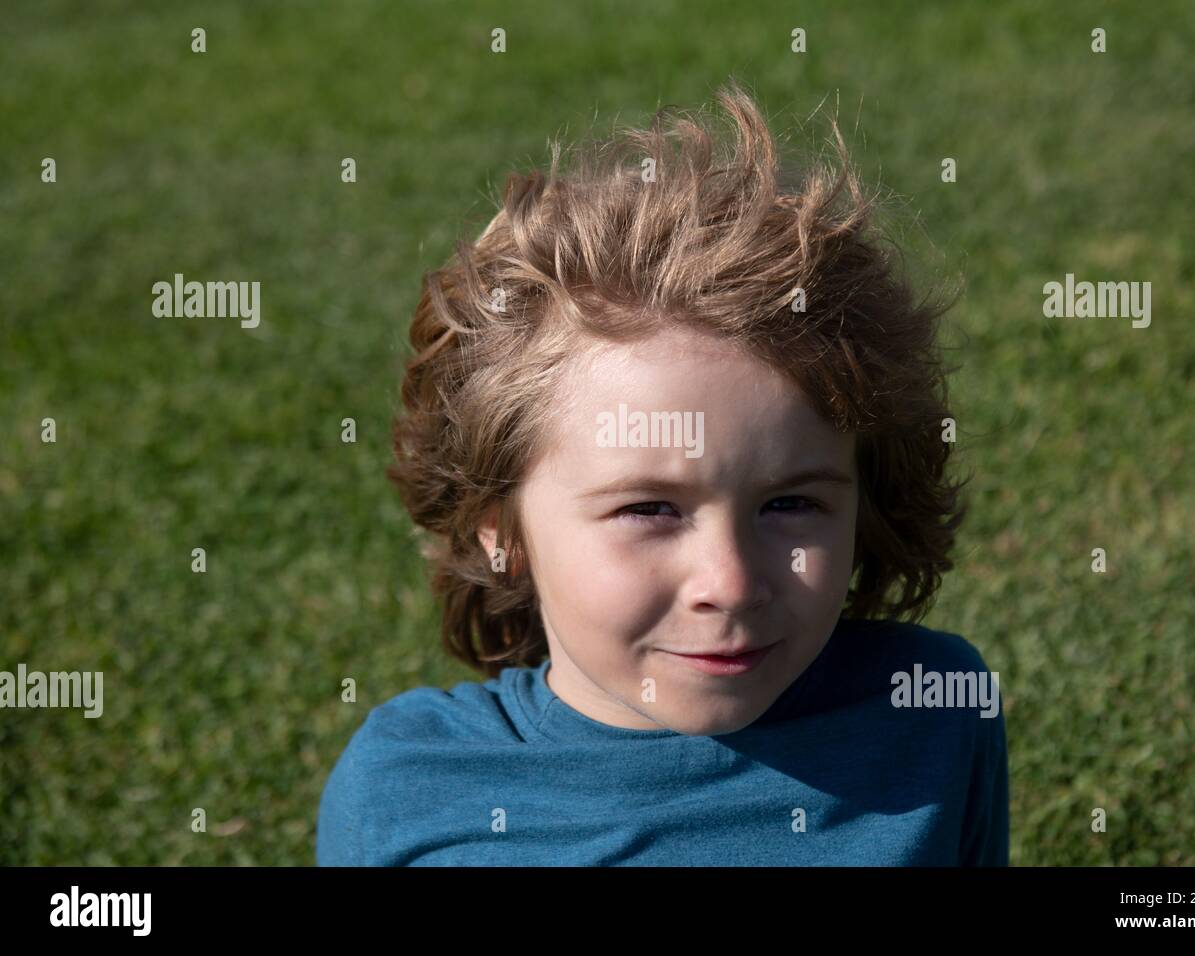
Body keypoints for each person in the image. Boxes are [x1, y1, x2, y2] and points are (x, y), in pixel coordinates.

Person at [316, 79, 1008, 866]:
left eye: (790, 503)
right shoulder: (412, 791)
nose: (732, 582)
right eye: (650, 509)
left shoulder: (928, 713)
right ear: (502, 529)